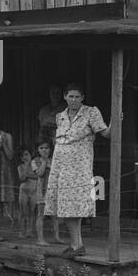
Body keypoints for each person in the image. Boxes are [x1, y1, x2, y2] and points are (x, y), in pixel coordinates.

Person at [44, 82, 110, 255]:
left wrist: (116, 121)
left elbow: (106, 133)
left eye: (77, 97)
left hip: (78, 168)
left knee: (73, 206)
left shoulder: (91, 113)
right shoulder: (61, 116)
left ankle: (76, 245)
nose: (74, 100)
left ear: (82, 98)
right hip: (61, 166)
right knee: (65, 206)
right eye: (70, 96)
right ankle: (77, 245)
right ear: (65, 97)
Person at [16, 148, 39, 238]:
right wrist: (26, 166)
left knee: (32, 211)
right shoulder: (20, 167)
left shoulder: (35, 165)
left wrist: (29, 175)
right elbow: (22, 178)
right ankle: (21, 231)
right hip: (24, 191)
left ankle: (30, 231)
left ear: (30, 155)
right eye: (22, 155)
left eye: (26, 154)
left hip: (34, 191)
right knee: (23, 212)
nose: (24, 157)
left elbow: (38, 176)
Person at [36, 84, 63, 148]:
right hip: (44, 140)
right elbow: (41, 126)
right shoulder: (43, 110)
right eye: (53, 93)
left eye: (57, 93)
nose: (55, 96)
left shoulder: (66, 109)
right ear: (49, 95)